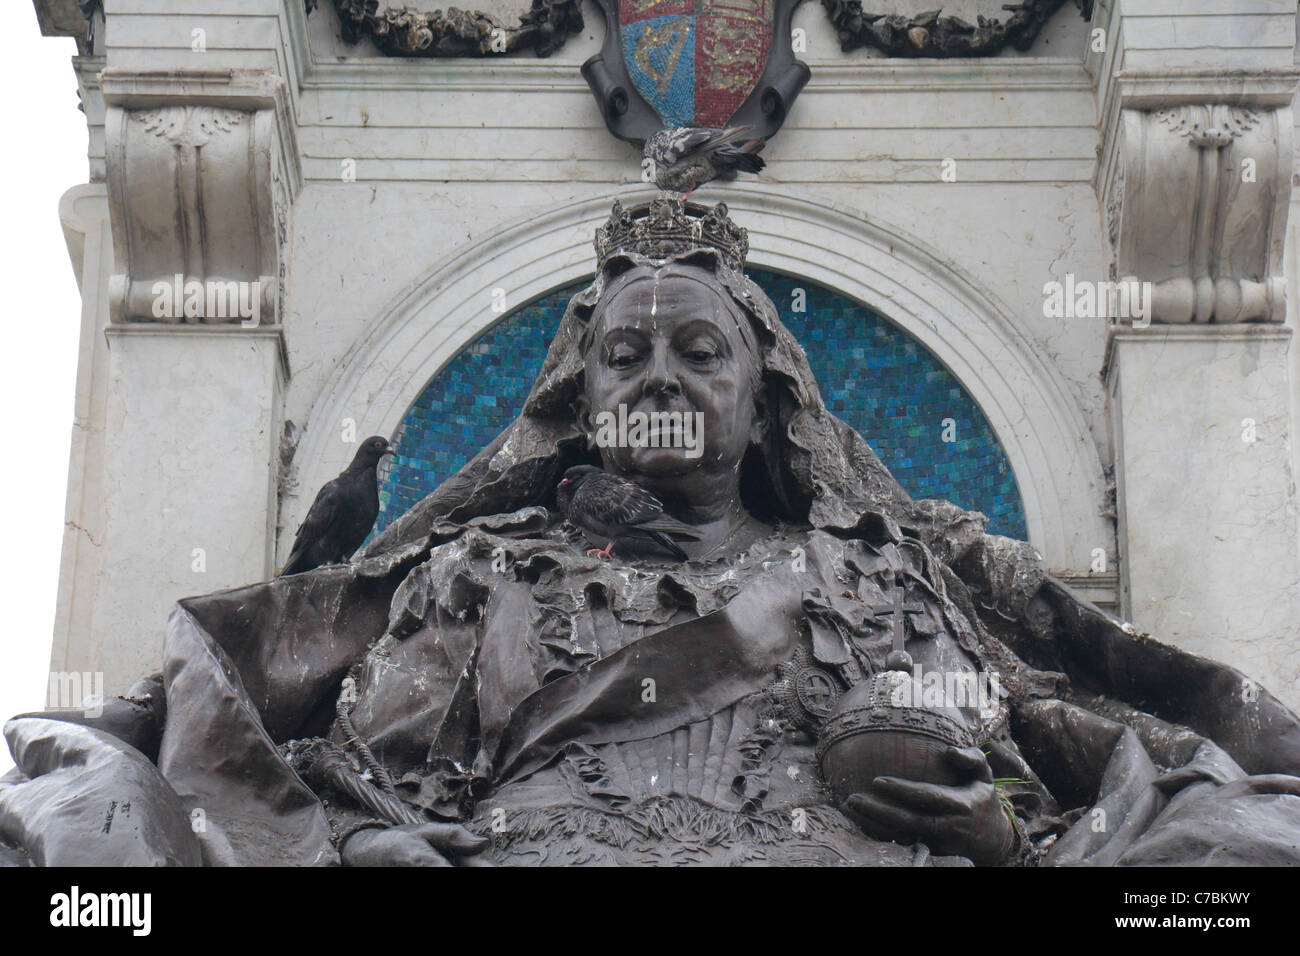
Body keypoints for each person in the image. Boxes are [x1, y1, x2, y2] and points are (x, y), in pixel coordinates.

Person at [4, 199, 1300, 867]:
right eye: (624, 357)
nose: (661, 379)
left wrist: (998, 832)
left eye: (698, 350)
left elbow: (1069, 777)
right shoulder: (476, 574)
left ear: (763, 398)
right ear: (582, 404)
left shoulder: (887, 579)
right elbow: (359, 791)